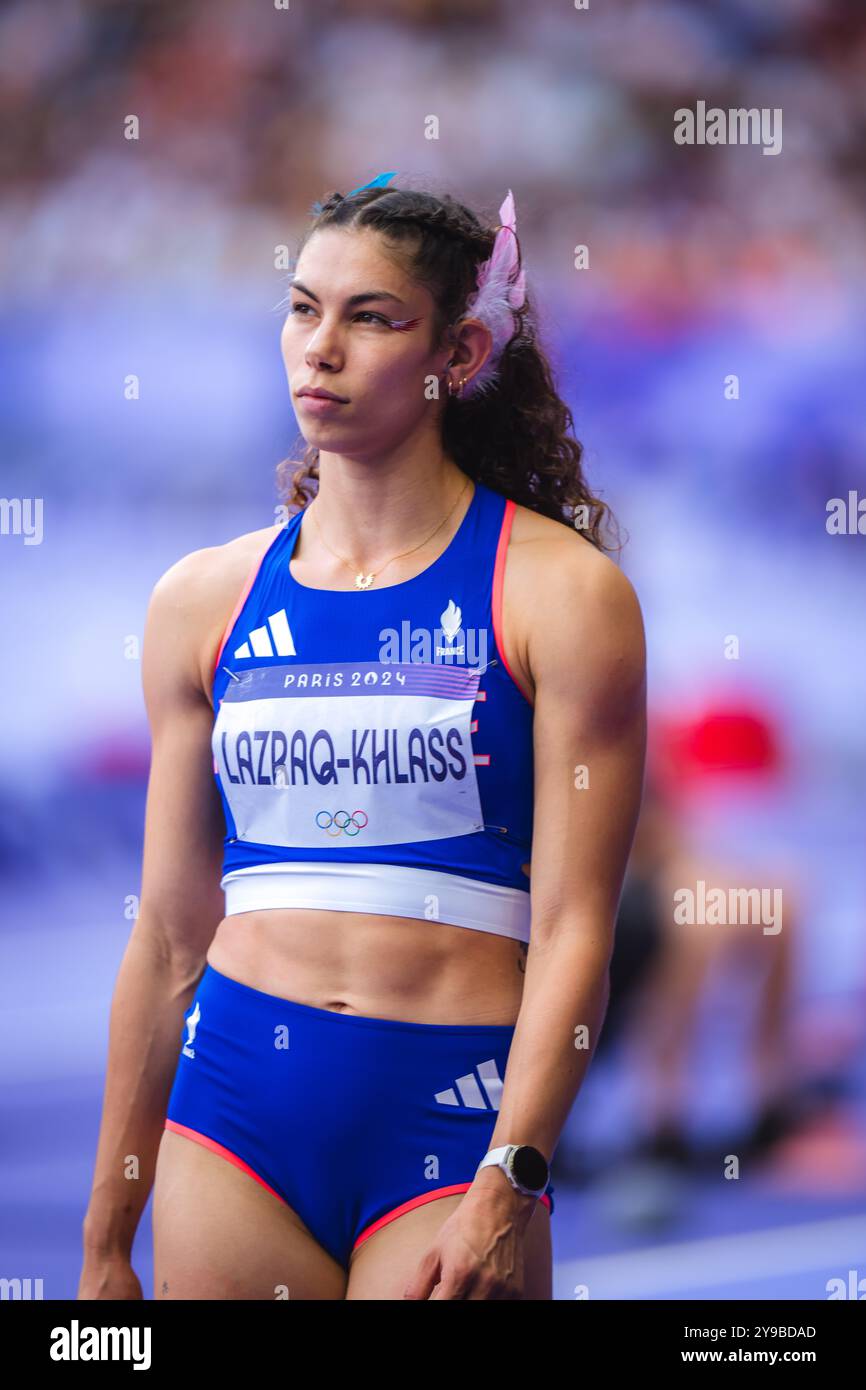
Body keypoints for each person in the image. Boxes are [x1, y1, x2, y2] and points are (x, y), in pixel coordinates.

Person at [78, 175, 646, 1301]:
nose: (318, 349)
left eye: (370, 317)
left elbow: (578, 927)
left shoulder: (560, 595)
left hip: (448, 1124)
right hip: (232, 1122)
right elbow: (166, 940)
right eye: (301, 308)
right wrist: (103, 1244)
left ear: (460, 351)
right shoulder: (202, 601)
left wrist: (512, 1178)